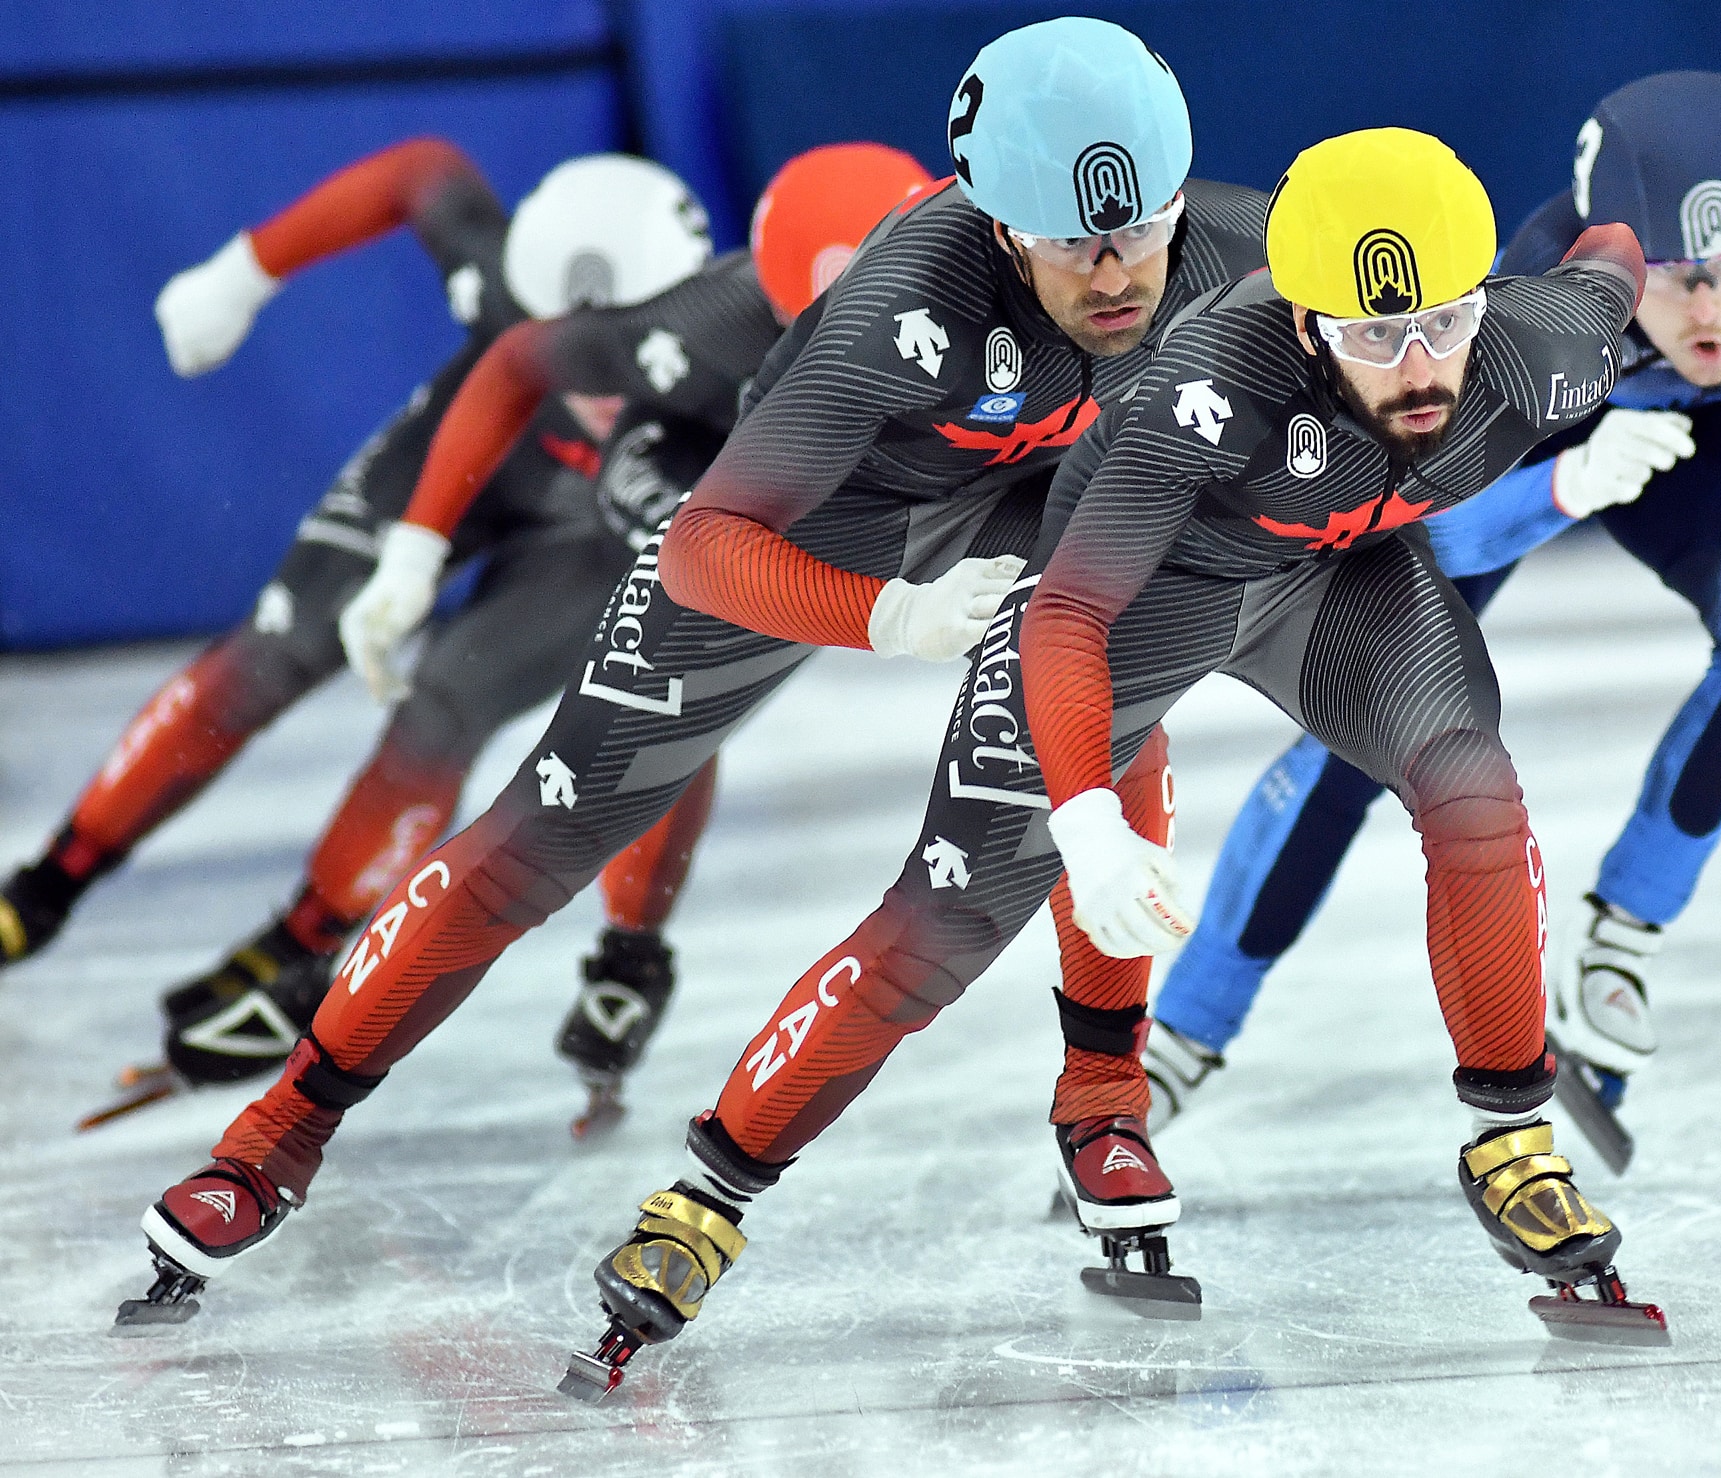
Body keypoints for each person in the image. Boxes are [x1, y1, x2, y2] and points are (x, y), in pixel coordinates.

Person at [122, 18, 1270, 1341]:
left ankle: (1103, 1098)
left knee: (1118, 700)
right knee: (533, 840)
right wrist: (886, 615)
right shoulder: (889, 313)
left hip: (1017, 493)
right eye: (1077, 245)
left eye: (1149, 232)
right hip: (806, 519)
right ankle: (274, 1134)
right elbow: (706, 547)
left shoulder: (1236, 255)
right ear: (998, 226)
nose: (1123, 275)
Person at [556, 124, 1666, 1394]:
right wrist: (1083, 815)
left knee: (1473, 790)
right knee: (948, 916)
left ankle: (1509, 1138)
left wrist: (1638, 214)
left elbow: (1612, 255)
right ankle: (704, 1198)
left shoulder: (1537, 350)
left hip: (1337, 586)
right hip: (1138, 595)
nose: (1417, 368)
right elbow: (1071, 615)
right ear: (1304, 326)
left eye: (1441, 322)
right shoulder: (1195, 395)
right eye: (1371, 336)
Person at [1144, 48, 1721, 1171]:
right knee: (1368, 714)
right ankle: (1182, 1032)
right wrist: (1565, 481)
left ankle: (1622, 937)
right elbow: (1409, 527)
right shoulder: (1524, 312)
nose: (1710, 305)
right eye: (1672, 274)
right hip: (1521, 444)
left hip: (1702, 441)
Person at [0, 140, 719, 1125]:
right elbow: (419, 170)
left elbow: (687, 690)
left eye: (615, 350)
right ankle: (46, 885)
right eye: (554, 339)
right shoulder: (510, 280)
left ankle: (305, 942)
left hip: (594, 532)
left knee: (448, 707)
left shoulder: (735, 365)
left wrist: (633, 940)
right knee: (273, 649)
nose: (584, 371)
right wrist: (240, 272)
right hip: (466, 457)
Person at [348, 141, 932, 1132]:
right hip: (696, 471)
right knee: (675, 670)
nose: (845, 358)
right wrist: (414, 547)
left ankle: (629, 941)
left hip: (848, 490)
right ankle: (630, 948)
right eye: (816, 335)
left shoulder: (999, 308)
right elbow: (516, 360)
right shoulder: (703, 324)